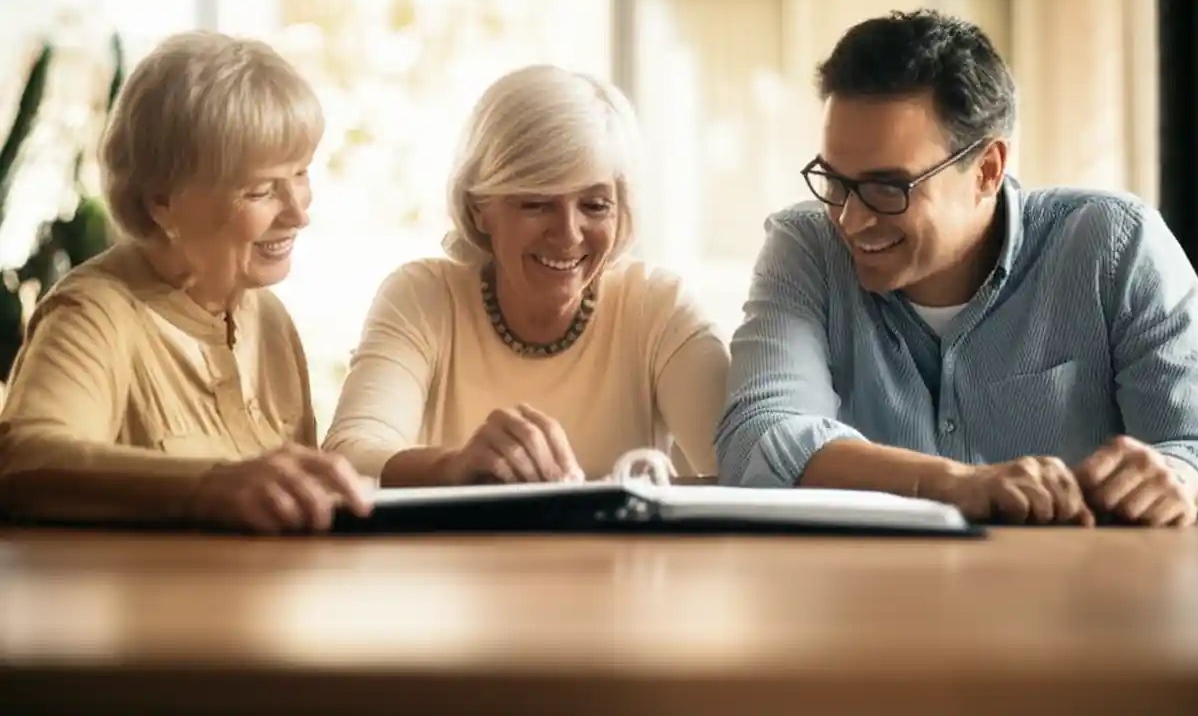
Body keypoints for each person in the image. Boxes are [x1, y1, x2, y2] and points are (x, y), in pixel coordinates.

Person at [716, 10, 1198, 525]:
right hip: (866, 607)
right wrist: (951, 484)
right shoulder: (805, 248)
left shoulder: (1115, 247)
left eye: (886, 188)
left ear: (988, 169)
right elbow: (760, 437)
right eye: (835, 181)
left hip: (1078, 608)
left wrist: (1180, 479)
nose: (851, 219)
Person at [0, 32, 371, 532]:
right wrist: (209, 483)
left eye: (301, 174)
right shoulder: (95, 313)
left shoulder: (268, 317)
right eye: (261, 191)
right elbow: (25, 461)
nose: (299, 214)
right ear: (162, 201)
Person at [324, 65, 728, 486]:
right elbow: (350, 458)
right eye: (536, 203)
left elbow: (748, 471)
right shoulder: (423, 298)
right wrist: (456, 466)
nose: (569, 234)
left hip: (623, 557)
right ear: (480, 208)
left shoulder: (657, 306)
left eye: (594, 205)